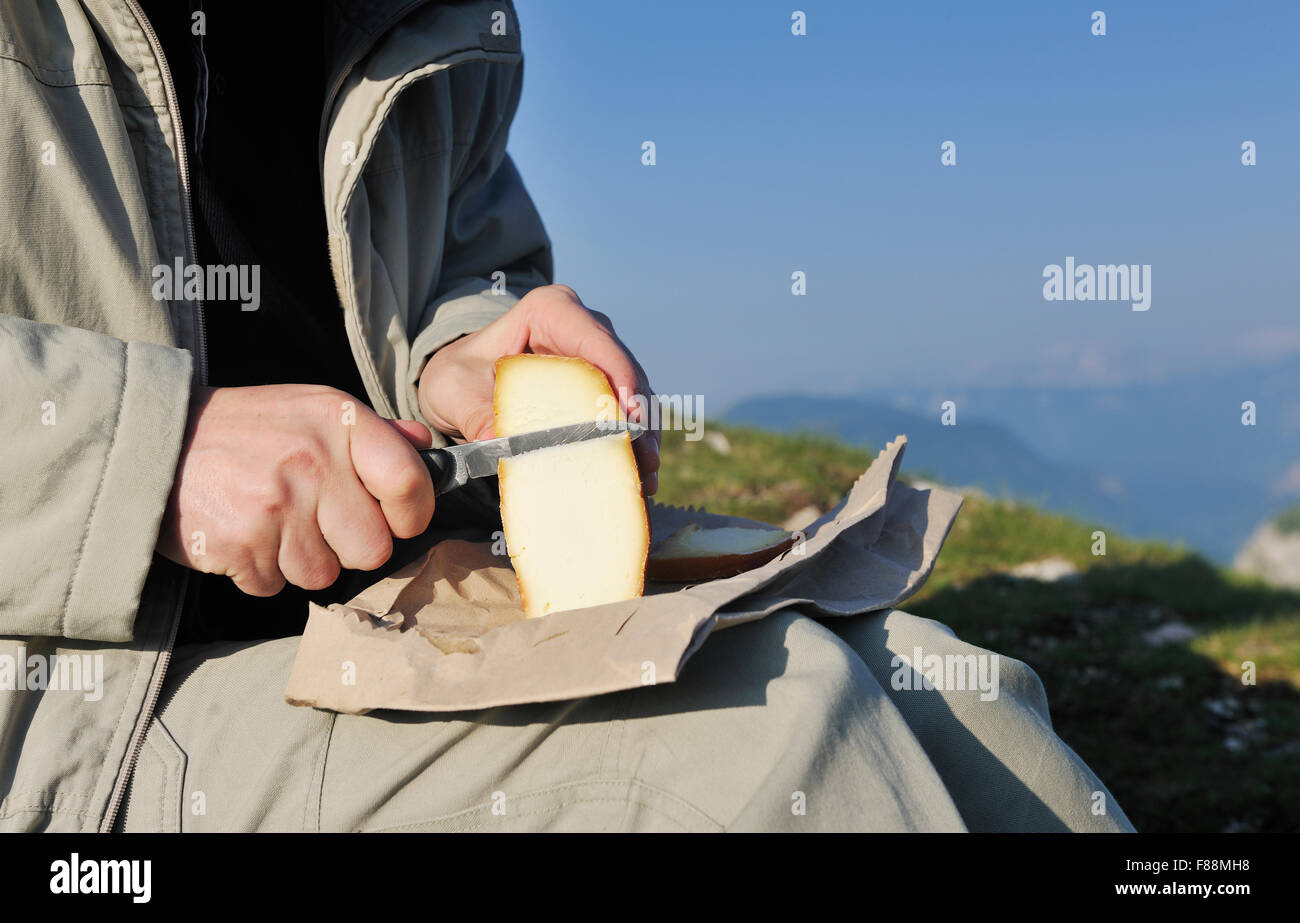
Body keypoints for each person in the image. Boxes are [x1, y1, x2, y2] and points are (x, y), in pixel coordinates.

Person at [0, 0, 1133, 832]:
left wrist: (456, 357)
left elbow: (462, 249)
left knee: (949, 694)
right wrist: (146, 454)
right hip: (69, 718)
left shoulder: (423, 15)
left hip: (387, 609)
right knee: (776, 735)